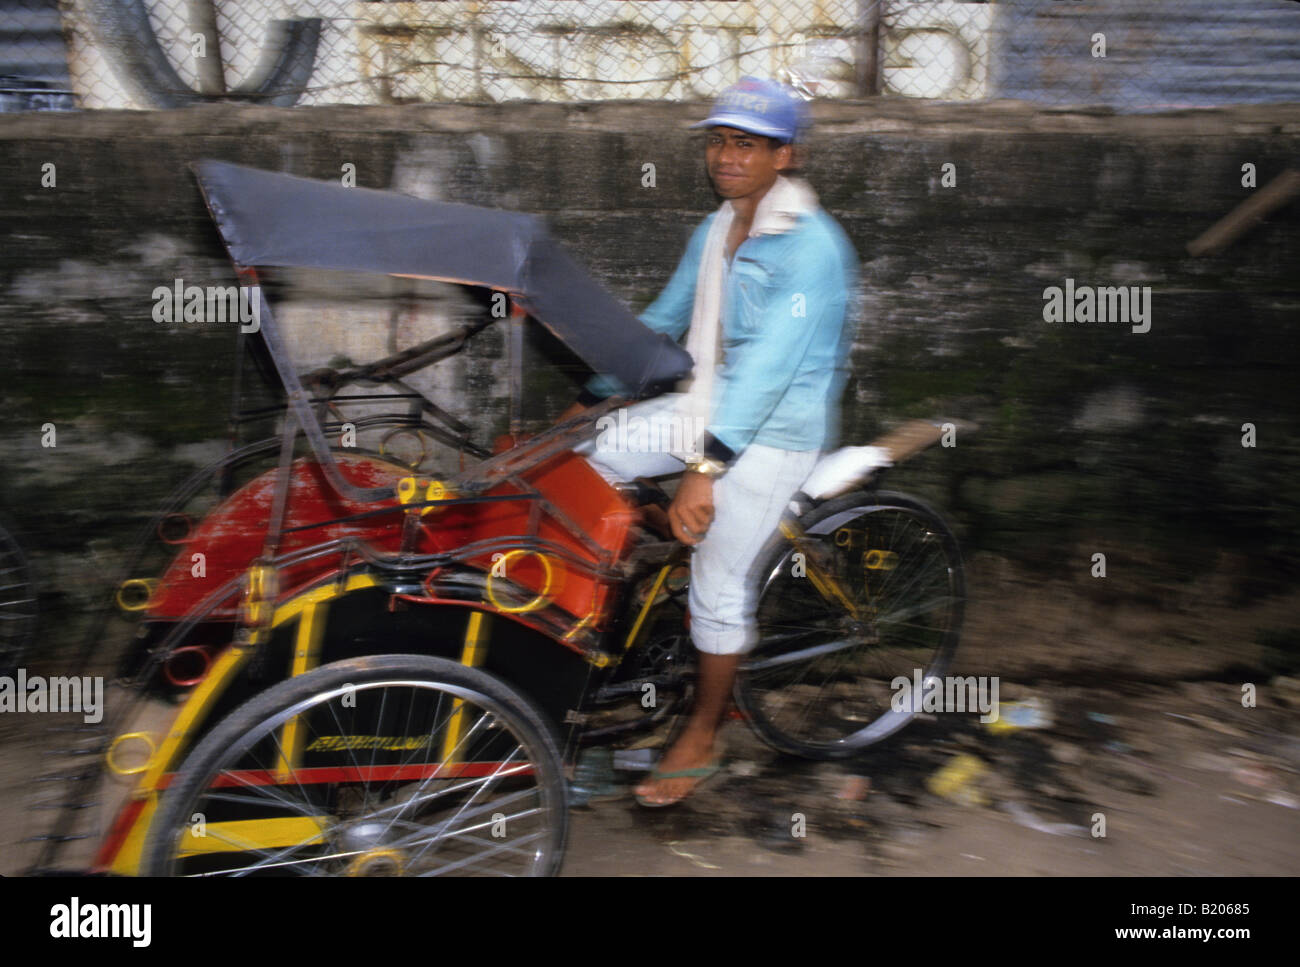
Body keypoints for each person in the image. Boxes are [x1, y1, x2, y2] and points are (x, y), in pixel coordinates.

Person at [561, 77, 859, 806]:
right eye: (719, 141)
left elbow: (764, 375)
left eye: (747, 144)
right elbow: (664, 319)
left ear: (784, 155)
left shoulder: (811, 251)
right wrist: (591, 397)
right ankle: (668, 534)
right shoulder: (719, 223)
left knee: (718, 592)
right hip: (706, 406)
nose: (727, 156)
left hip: (771, 428)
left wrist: (702, 473)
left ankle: (703, 730)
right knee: (583, 464)